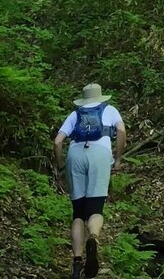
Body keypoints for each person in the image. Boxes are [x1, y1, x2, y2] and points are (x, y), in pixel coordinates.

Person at [53, 83, 126, 279]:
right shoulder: (109, 110)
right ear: (100, 96)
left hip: (75, 155)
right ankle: (93, 238)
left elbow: (58, 141)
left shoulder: (75, 114)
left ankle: (77, 262)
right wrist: (118, 159)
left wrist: (61, 165)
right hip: (100, 156)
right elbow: (121, 131)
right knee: (95, 209)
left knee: (78, 212)